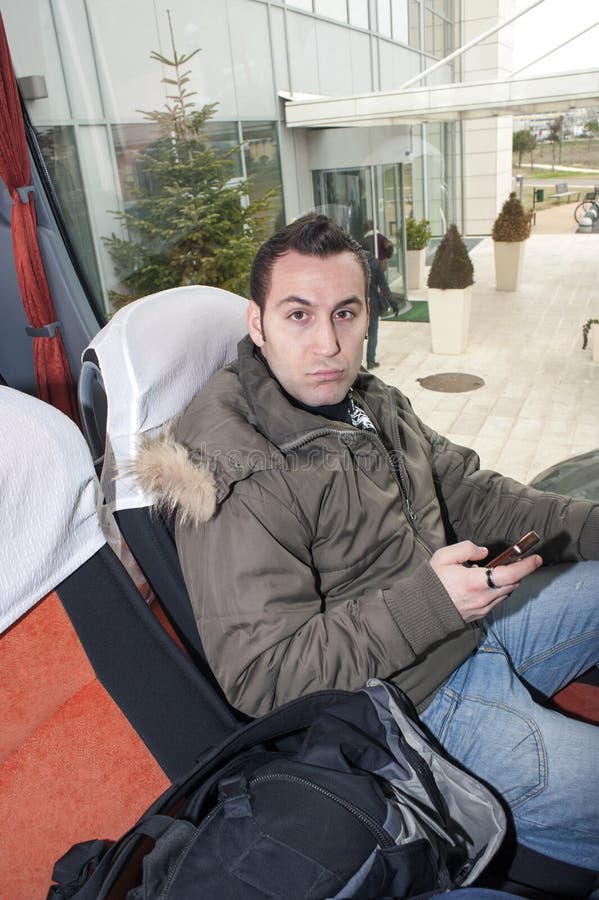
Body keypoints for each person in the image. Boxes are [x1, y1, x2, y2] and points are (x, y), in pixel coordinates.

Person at [140, 213, 599, 874]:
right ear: (256, 323)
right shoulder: (238, 468)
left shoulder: (366, 403)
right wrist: (431, 603)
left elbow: (472, 493)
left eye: (345, 314)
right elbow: (261, 676)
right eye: (298, 315)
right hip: (409, 710)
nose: (327, 343)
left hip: (470, 630)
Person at [361, 233, 394, 369]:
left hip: (357, 307)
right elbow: (384, 286)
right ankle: (370, 361)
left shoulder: (353, 265)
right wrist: (393, 303)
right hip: (372, 304)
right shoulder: (375, 264)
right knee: (373, 333)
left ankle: (355, 366)